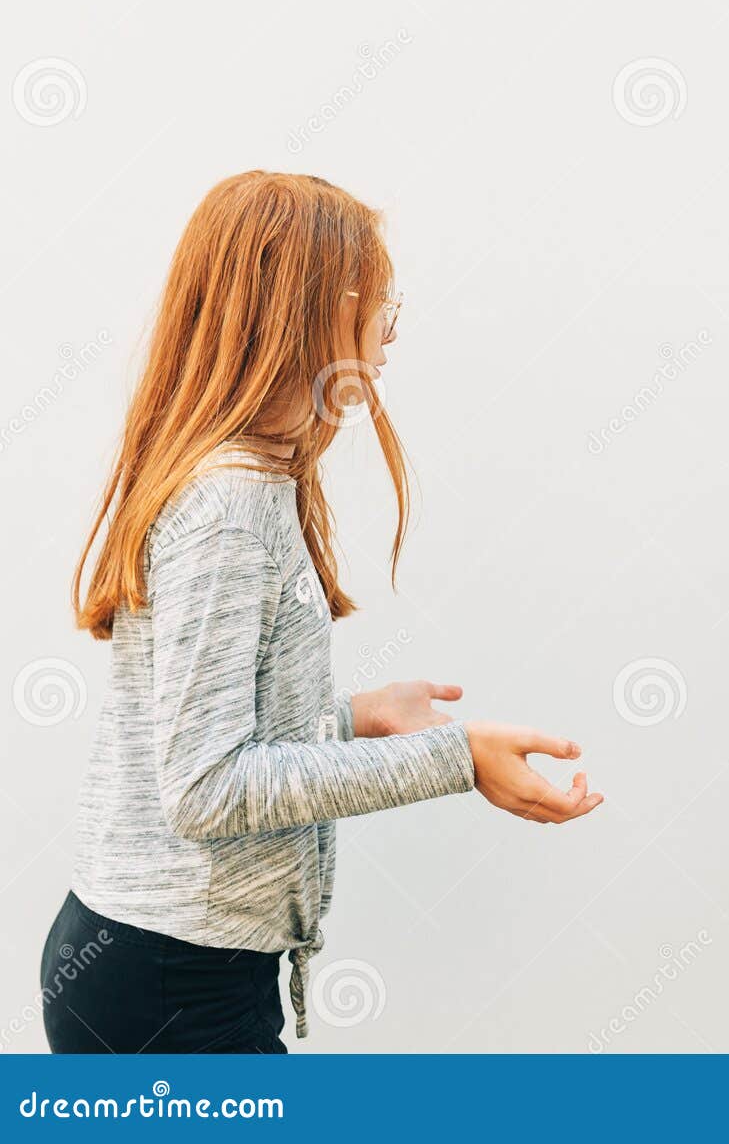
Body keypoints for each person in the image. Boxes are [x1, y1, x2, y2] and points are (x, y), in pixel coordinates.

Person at [41, 171, 602, 1053]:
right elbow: (208, 787)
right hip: (166, 988)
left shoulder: (251, 487)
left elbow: (208, 741)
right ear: (300, 313)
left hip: (182, 969)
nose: (388, 336)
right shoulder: (228, 507)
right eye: (379, 305)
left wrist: (348, 720)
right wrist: (453, 758)